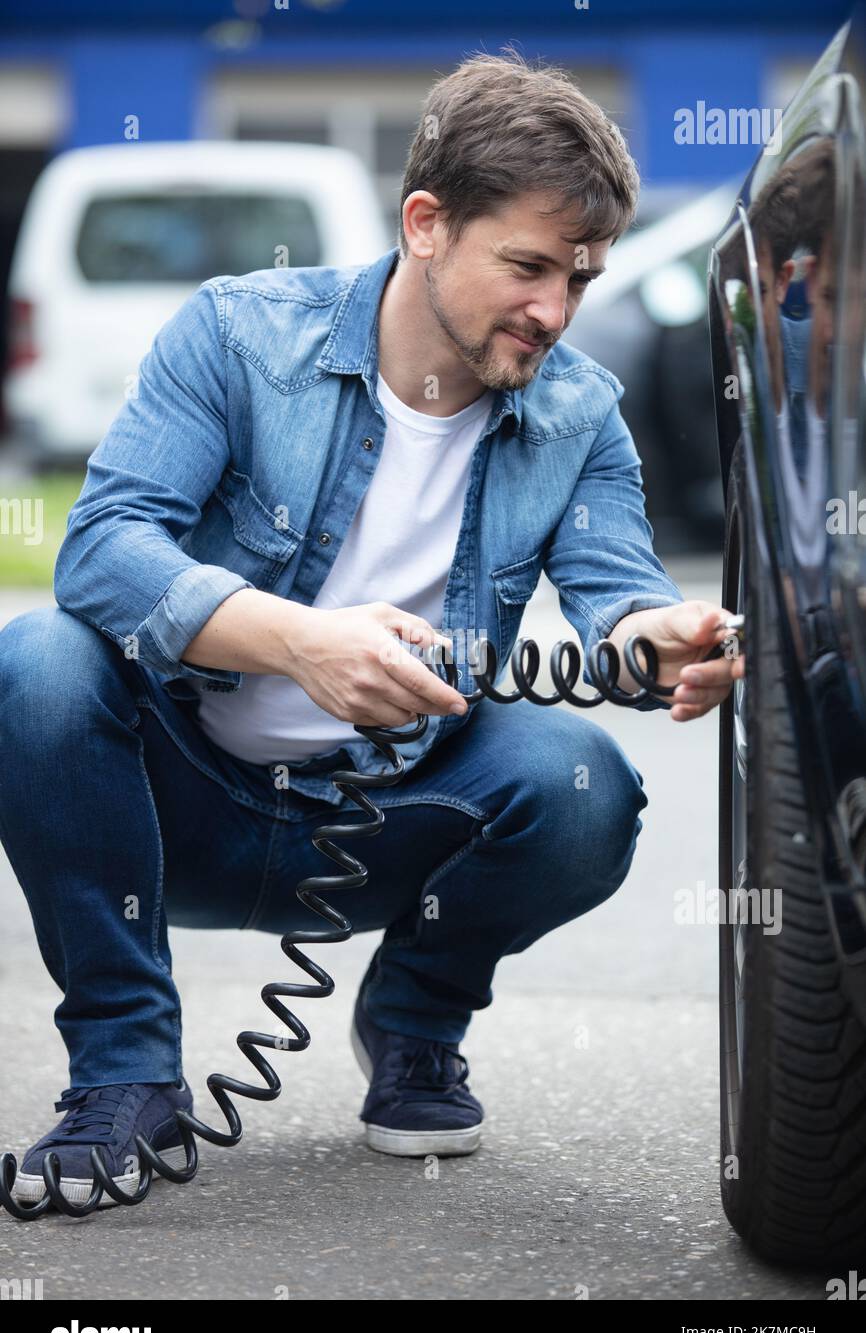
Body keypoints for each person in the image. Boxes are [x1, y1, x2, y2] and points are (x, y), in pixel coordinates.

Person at [0, 47, 743, 1205]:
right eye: (529, 266)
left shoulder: (579, 412)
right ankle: (123, 1073)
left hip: (392, 818)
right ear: (426, 223)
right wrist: (300, 639)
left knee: (586, 781)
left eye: (582, 279)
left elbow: (615, 587)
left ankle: (413, 1019)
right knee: (36, 663)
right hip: (175, 803)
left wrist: (659, 635)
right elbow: (101, 550)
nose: (554, 310)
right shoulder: (240, 336)